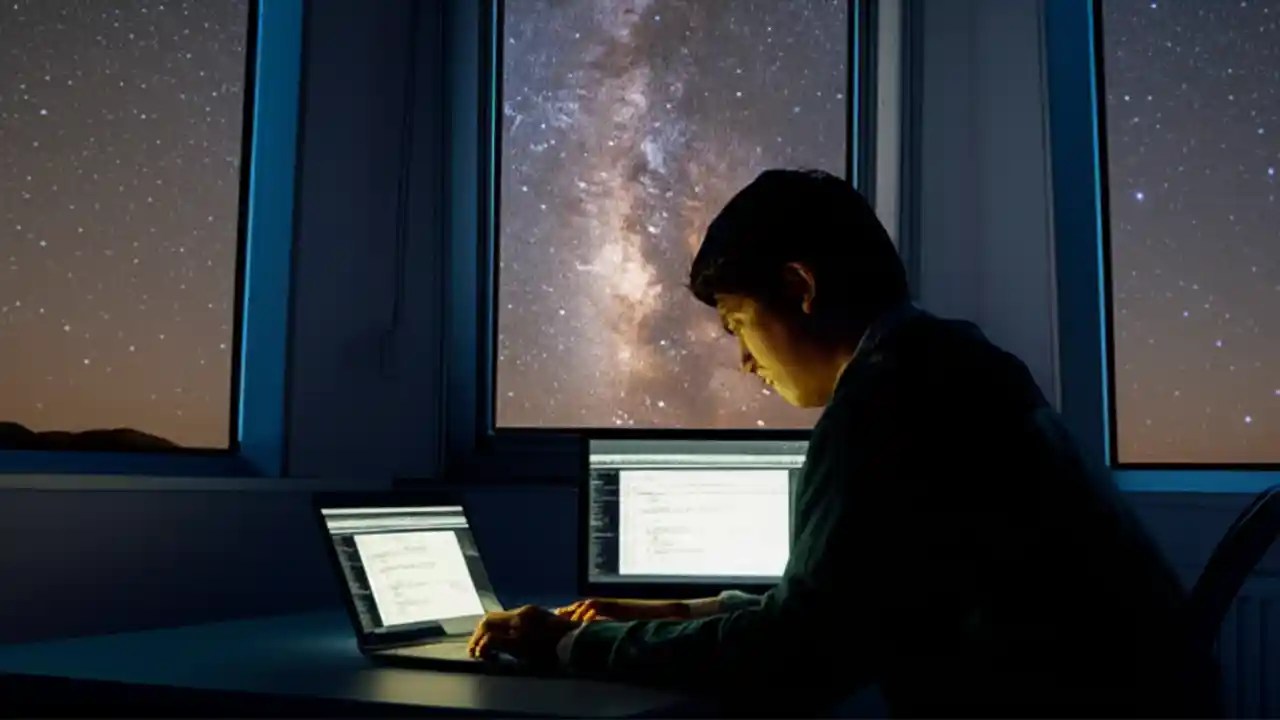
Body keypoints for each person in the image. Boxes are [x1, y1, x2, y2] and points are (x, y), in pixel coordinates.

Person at [468, 169, 1221, 716]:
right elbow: (851, 602)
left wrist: (567, 647)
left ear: (800, 287)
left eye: (737, 322)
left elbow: (798, 658)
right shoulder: (958, 362)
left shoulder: (883, 403)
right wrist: (671, 612)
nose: (741, 359)